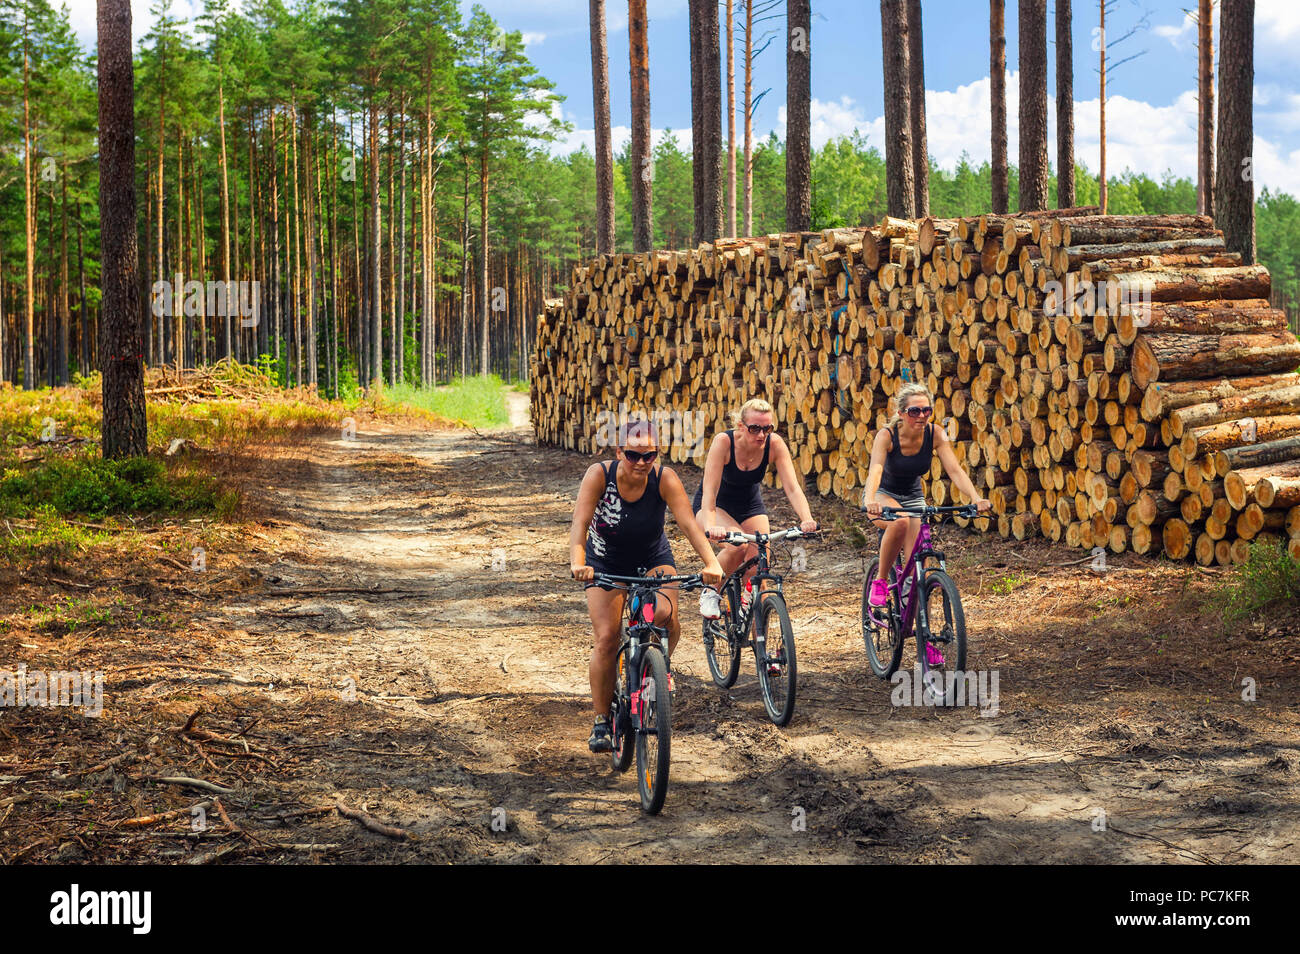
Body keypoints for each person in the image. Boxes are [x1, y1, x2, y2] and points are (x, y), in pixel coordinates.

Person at [570, 418, 723, 753]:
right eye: (633, 455)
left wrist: (711, 562)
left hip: (652, 557)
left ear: (657, 454)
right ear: (618, 450)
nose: (641, 463)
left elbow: (688, 523)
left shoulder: (664, 478)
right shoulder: (600, 475)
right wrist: (578, 563)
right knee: (608, 637)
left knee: (666, 618)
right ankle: (601, 721)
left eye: (649, 455)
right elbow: (580, 522)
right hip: (604, 562)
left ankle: (654, 667)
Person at [862, 382, 991, 655]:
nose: (921, 416)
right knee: (899, 522)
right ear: (901, 412)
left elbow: (954, 470)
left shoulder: (935, 434)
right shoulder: (886, 436)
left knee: (917, 573)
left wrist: (975, 497)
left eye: (926, 411)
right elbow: (875, 469)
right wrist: (870, 500)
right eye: (914, 411)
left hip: (913, 499)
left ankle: (926, 639)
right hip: (884, 495)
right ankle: (881, 580)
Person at [693, 398, 817, 617]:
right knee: (737, 546)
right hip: (714, 506)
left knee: (759, 569)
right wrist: (712, 527)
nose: (761, 435)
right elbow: (709, 493)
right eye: (754, 429)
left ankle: (759, 640)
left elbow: (792, 487)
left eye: (767, 428)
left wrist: (807, 519)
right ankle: (711, 590)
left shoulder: (774, 444)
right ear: (741, 426)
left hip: (750, 506)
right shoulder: (724, 442)